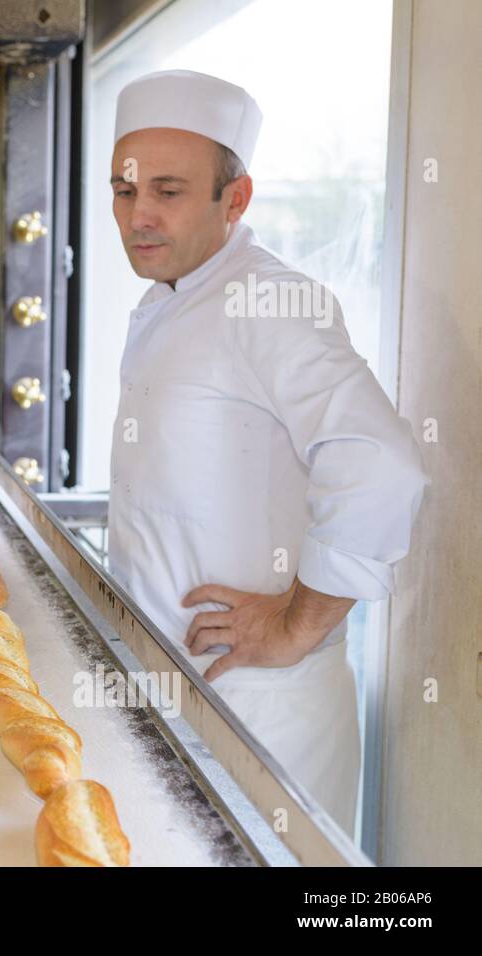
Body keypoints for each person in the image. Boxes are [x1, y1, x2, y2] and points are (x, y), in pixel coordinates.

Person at [105, 69, 427, 833]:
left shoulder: (273, 304)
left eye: (169, 191)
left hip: (258, 715)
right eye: (125, 191)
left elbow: (381, 465)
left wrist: (297, 624)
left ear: (235, 199)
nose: (138, 216)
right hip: (174, 695)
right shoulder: (171, 299)